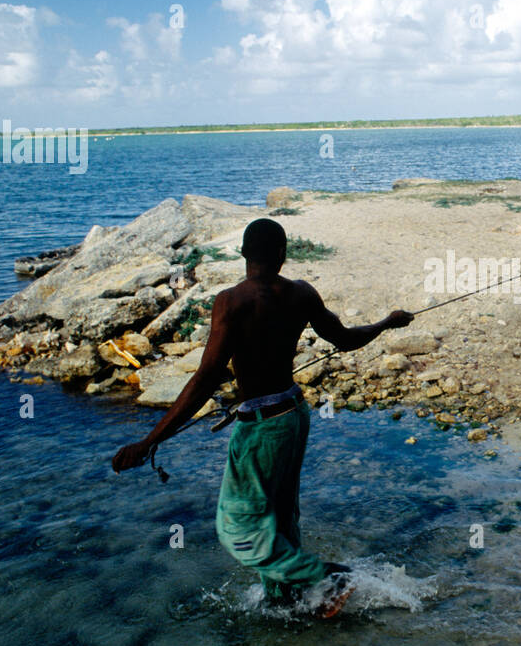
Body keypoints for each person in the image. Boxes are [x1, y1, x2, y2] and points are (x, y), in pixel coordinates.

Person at [112, 218, 413, 611]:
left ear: (243, 254)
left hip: (264, 427)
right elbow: (345, 339)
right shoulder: (303, 294)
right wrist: (387, 323)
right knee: (281, 522)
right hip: (294, 416)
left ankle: (327, 578)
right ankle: (290, 600)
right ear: (283, 256)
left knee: (239, 529)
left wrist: (150, 440)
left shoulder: (232, 300)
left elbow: (206, 377)